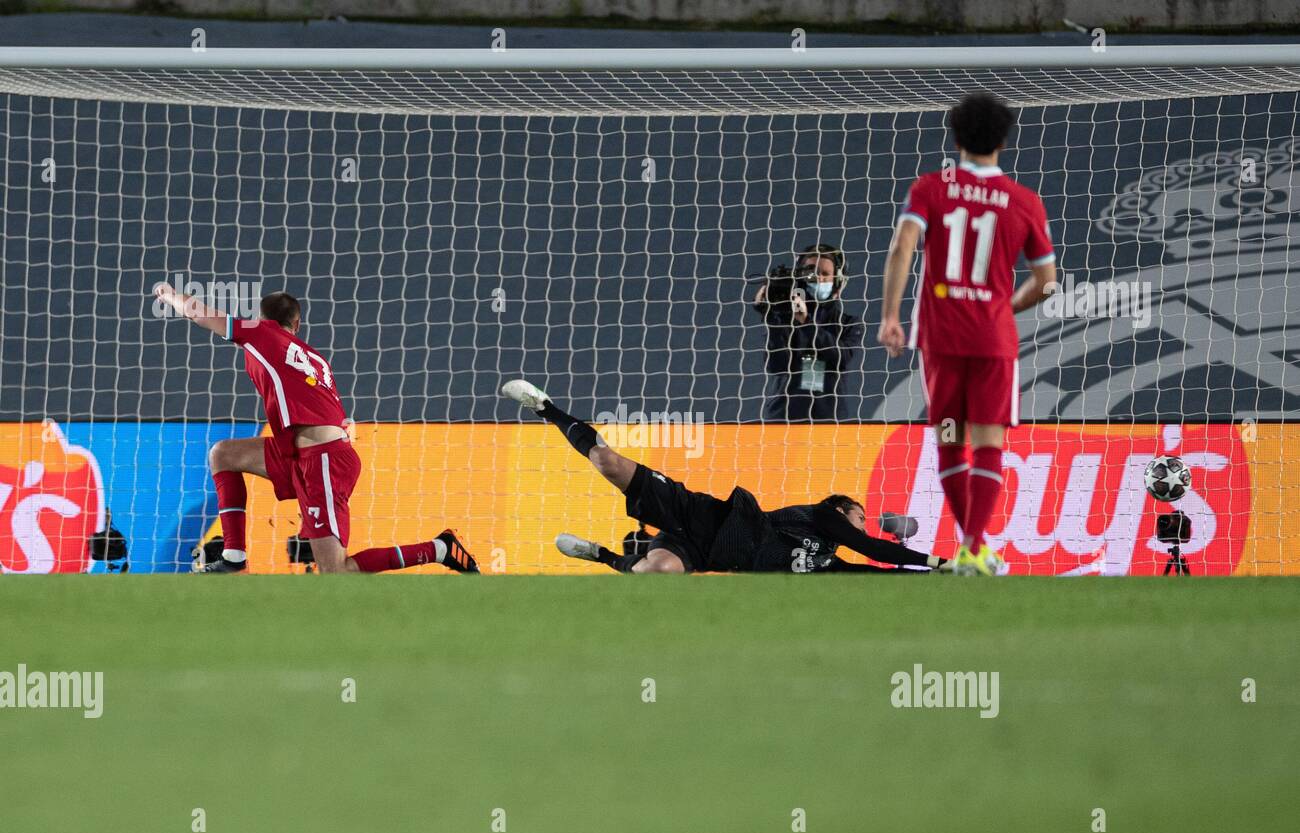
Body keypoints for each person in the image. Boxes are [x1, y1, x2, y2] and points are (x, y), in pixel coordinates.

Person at [154, 283, 479, 574]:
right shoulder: (314, 357)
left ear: (263, 319)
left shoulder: (259, 333)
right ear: (297, 324)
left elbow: (199, 314)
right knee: (224, 454)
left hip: (323, 461)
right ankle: (234, 557)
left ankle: (439, 549)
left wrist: (169, 294)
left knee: (336, 570)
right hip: (301, 452)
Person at [500, 379, 950, 574]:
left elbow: (871, 573)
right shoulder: (821, 518)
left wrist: (933, 580)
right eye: (858, 514)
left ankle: (600, 555)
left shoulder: (829, 563)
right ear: (839, 509)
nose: (862, 523)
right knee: (607, 462)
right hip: (705, 516)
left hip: (705, 551)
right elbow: (871, 549)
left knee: (655, 575)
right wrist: (939, 561)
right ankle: (547, 408)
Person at [877, 92, 1057, 576]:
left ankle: (970, 548)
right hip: (991, 339)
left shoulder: (930, 188)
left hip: (940, 339)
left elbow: (902, 247)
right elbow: (1047, 282)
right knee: (989, 440)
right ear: (1003, 140)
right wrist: (1006, 306)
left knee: (951, 438)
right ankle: (975, 547)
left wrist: (890, 316)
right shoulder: (1023, 201)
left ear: (955, 137)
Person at [753, 243, 863, 421]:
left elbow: (840, 357)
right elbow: (775, 364)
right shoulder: (785, 317)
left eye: (825, 273)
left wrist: (805, 321)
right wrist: (772, 316)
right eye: (810, 272)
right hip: (782, 417)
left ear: (838, 281)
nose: (817, 278)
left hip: (828, 421)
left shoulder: (848, 323)